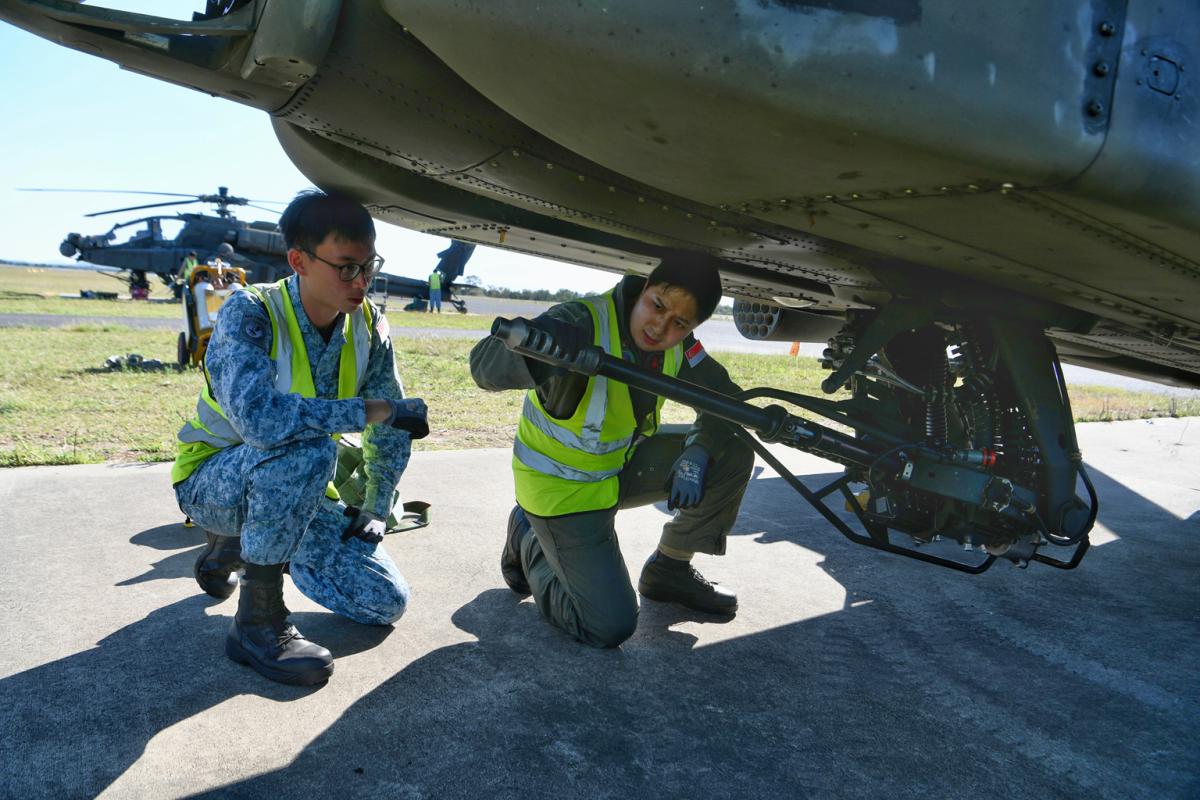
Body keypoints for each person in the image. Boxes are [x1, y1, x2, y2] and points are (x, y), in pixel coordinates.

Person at [171, 190, 430, 686]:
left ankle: (240, 546)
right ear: (299, 260)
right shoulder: (250, 312)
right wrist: (371, 410)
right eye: (347, 267)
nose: (363, 281)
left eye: (369, 265)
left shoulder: (370, 324)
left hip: (294, 491)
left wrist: (375, 507)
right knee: (307, 448)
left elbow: (393, 427)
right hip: (214, 482)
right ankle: (257, 624)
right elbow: (261, 423)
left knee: (382, 601)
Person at [469, 252, 754, 648]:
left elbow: (726, 399)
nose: (660, 326)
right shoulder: (580, 322)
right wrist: (541, 350)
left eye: (680, 323)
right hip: (561, 491)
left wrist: (700, 450)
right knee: (608, 626)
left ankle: (669, 569)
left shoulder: (679, 344)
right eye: (657, 306)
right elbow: (483, 367)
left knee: (732, 450)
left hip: (615, 469)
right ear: (643, 288)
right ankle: (529, 537)